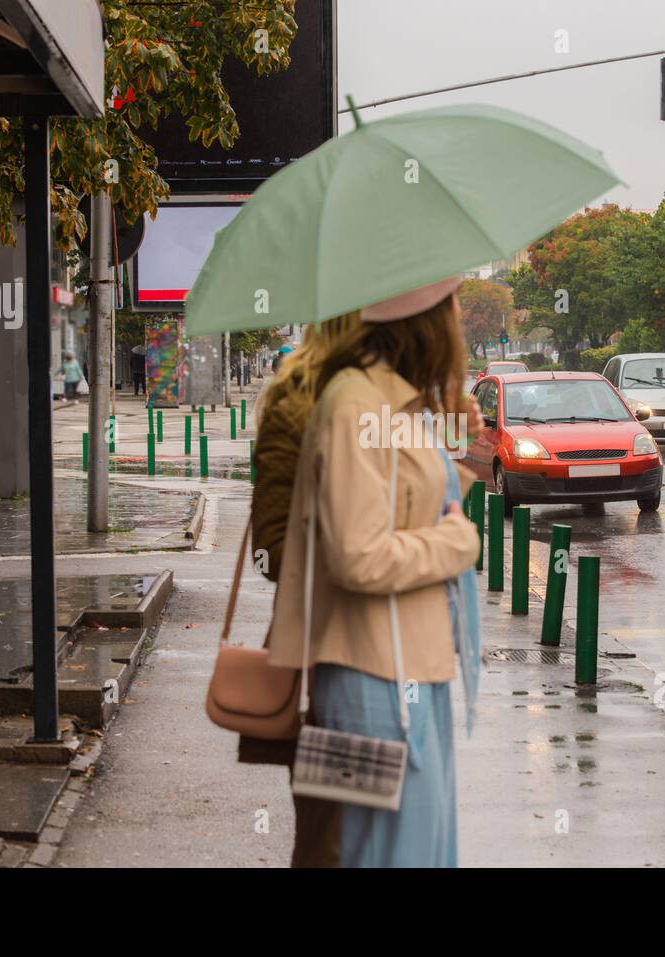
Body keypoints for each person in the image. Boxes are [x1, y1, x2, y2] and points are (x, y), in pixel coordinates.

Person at [266, 276, 483, 867]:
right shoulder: (355, 403)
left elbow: (408, 502)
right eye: (452, 301)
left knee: (415, 851)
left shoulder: (391, 401)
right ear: (424, 317)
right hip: (374, 682)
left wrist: (454, 441)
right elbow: (357, 555)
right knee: (379, 854)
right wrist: (456, 543)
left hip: (410, 670)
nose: (460, 315)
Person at [243, 312, 367, 867]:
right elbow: (270, 547)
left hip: (395, 658)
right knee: (330, 833)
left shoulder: (392, 399)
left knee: (378, 831)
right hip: (328, 658)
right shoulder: (297, 401)